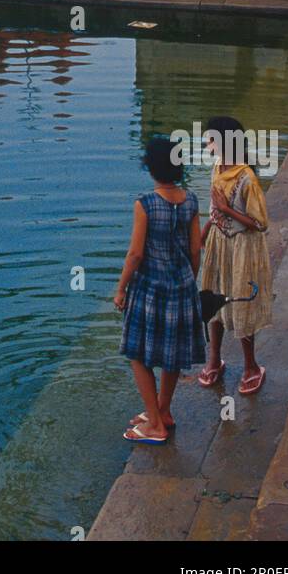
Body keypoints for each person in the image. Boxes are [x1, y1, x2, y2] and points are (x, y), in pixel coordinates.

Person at [115, 136, 206, 443]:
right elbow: (196, 249)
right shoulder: (191, 200)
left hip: (150, 289)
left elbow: (135, 254)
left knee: (136, 353)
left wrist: (120, 289)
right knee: (172, 355)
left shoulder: (146, 204)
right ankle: (164, 411)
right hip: (182, 287)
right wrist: (189, 279)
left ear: (150, 168)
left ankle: (154, 423)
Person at [198, 116, 272, 394]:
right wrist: (207, 227)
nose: (209, 146)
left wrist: (227, 211)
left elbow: (261, 223)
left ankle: (251, 365)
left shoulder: (247, 179)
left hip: (242, 245)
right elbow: (214, 206)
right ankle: (214, 358)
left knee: (241, 301)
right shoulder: (218, 167)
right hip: (220, 242)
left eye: (212, 140)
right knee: (213, 299)